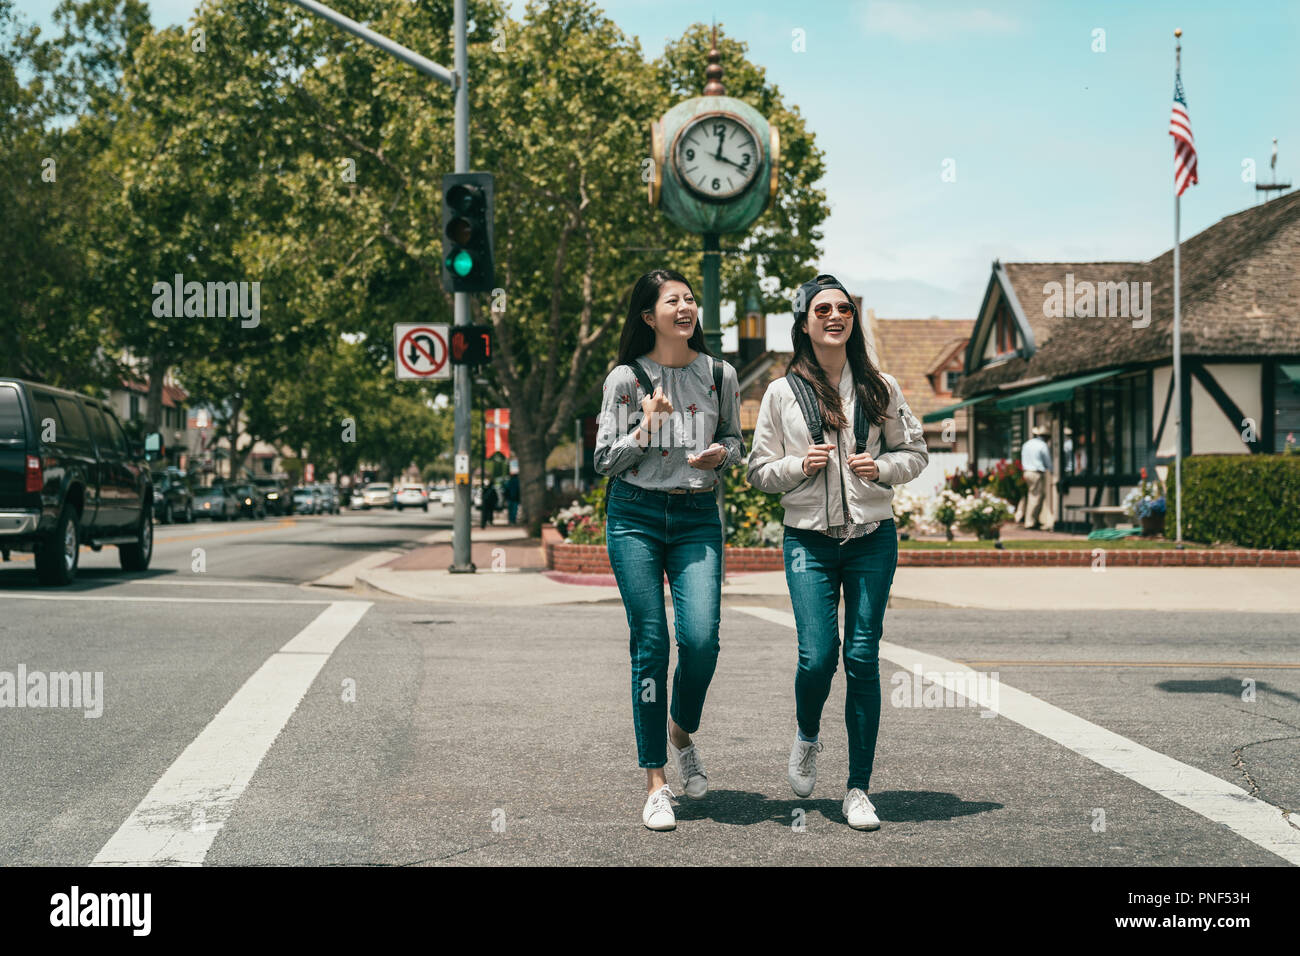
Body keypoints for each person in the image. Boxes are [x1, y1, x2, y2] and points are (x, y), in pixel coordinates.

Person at [747, 273, 928, 831]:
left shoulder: (880, 387)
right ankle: (807, 736)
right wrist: (797, 466)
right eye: (822, 309)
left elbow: (915, 452)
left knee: (863, 657)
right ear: (804, 324)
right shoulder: (781, 392)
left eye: (844, 308)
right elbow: (758, 471)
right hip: (809, 540)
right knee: (818, 656)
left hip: (873, 539)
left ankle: (858, 788)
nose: (835, 316)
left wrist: (883, 468)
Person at [593, 268, 745, 831]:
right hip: (634, 515)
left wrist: (721, 456)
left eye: (689, 299)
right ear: (648, 316)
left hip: (696, 515)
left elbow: (735, 440)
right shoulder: (626, 380)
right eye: (671, 301)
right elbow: (603, 460)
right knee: (652, 643)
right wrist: (644, 429)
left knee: (701, 641)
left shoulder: (720, 374)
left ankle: (680, 730)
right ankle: (656, 781)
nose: (684, 308)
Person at [1021, 425, 1052, 530]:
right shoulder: (1042, 445)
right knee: (1036, 497)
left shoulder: (1027, 444)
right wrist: (1052, 471)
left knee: (1033, 496)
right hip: (1036, 472)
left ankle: (1033, 519)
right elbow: (1047, 461)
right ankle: (1030, 522)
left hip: (1027, 472)